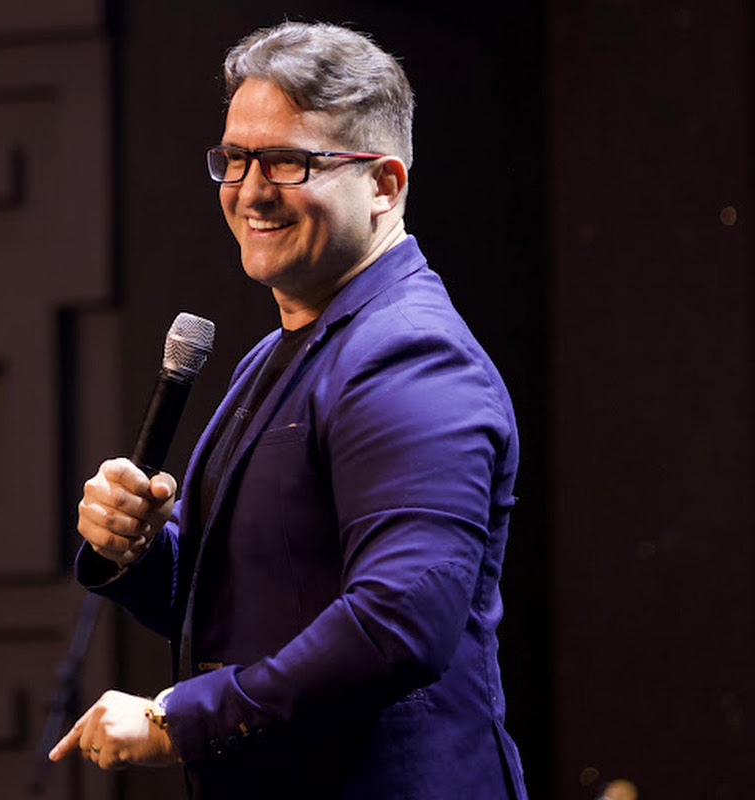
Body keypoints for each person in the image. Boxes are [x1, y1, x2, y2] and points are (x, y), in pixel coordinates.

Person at [49, 20, 528, 799]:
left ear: (384, 186)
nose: (249, 190)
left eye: (288, 162)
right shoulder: (280, 352)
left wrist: (177, 721)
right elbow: (246, 603)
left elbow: (397, 626)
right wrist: (140, 548)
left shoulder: (411, 358)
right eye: (235, 158)